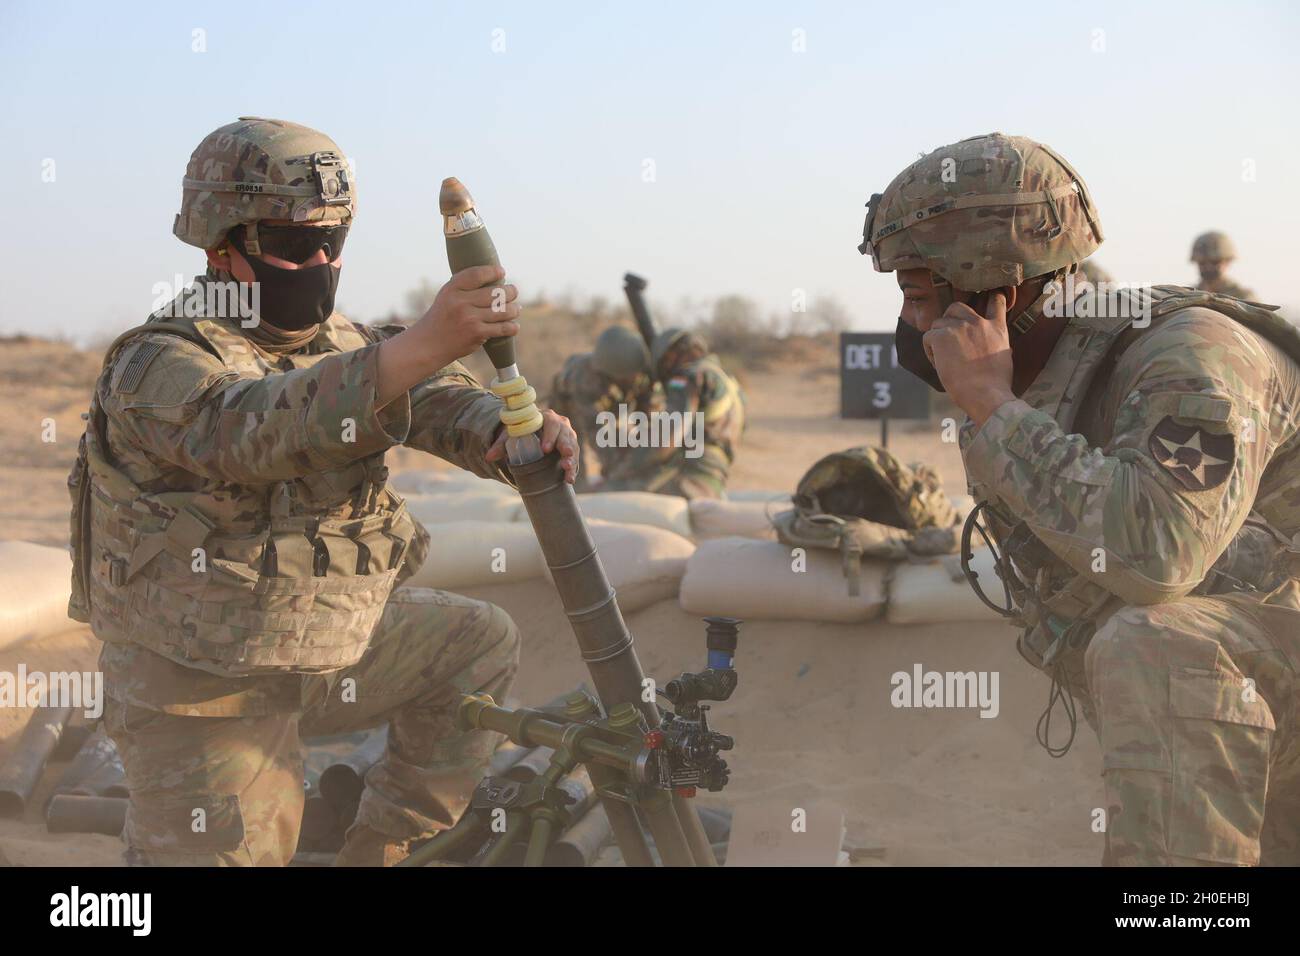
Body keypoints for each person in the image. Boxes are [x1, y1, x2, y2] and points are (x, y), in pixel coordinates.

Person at [66, 117, 578, 866]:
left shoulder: (344, 343)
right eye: (290, 243)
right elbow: (250, 429)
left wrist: (506, 433)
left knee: (478, 641)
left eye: (332, 242)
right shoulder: (160, 362)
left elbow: (434, 399)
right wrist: (420, 345)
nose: (318, 261)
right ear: (220, 247)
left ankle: (380, 849)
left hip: (320, 645)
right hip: (200, 685)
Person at [861, 132, 1300, 865]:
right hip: (1263, 694)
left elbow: (1154, 557)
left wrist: (995, 408)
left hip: (1264, 669)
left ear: (995, 291)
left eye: (917, 296)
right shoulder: (1061, 374)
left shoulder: (1191, 355)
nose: (910, 326)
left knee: (1155, 643)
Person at [603, 328, 745, 499]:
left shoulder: (689, 376)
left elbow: (665, 440)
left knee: (611, 493)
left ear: (670, 356)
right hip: (713, 482)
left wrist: (623, 470)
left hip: (684, 479)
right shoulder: (729, 384)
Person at [548, 325, 657, 491]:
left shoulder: (641, 371)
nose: (635, 380)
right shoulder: (585, 380)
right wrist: (616, 470)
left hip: (611, 406)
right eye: (628, 378)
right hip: (568, 406)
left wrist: (644, 457)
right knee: (570, 458)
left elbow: (647, 418)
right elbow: (597, 430)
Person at [1190, 231, 1255, 299]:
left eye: (1215, 262)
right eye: (1202, 263)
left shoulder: (1243, 297)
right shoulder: (1189, 295)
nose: (1208, 267)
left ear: (1228, 261)